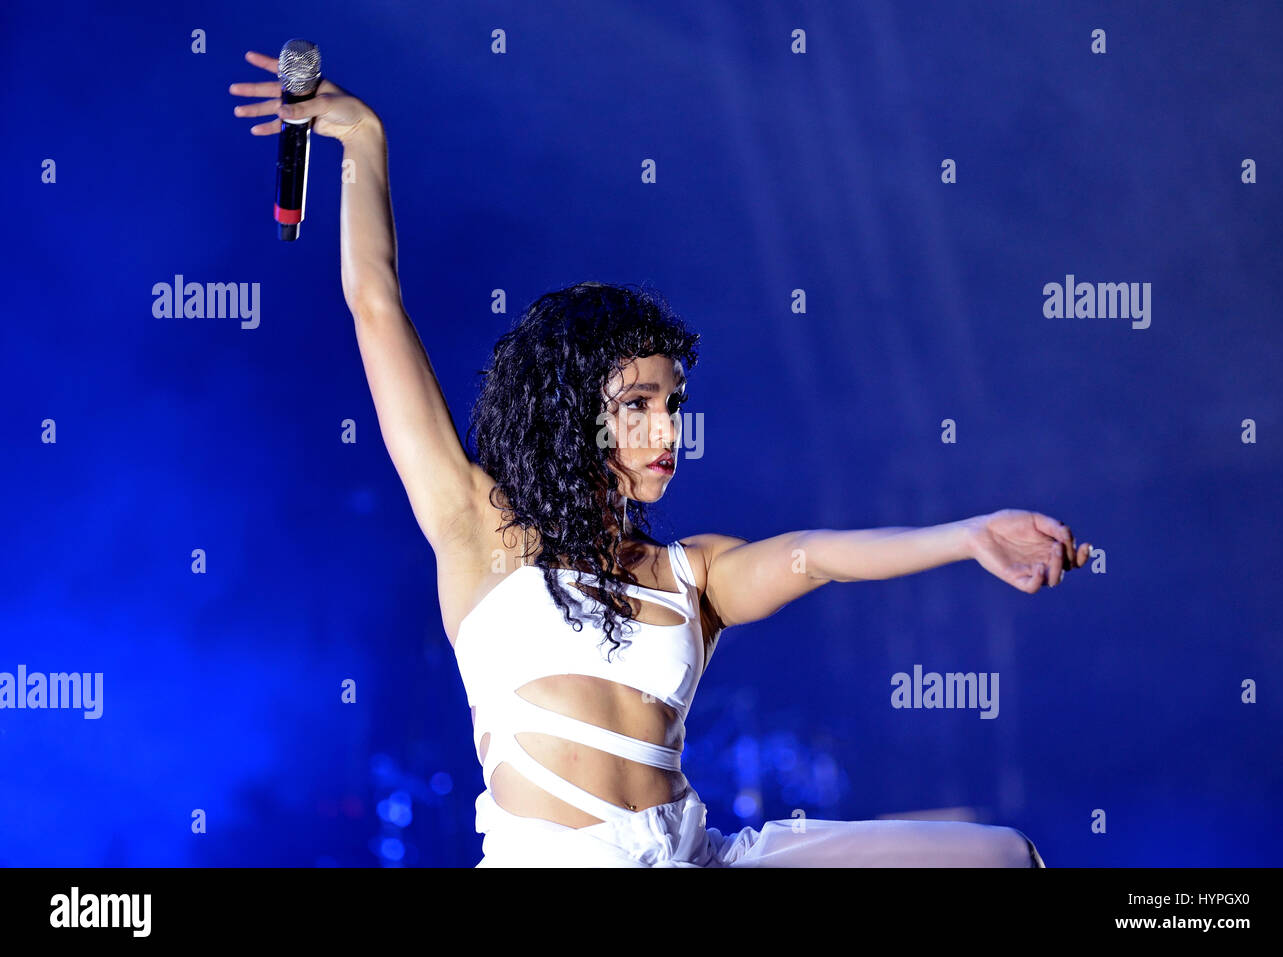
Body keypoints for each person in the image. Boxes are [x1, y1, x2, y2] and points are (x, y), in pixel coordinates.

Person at [230, 51, 1088, 867]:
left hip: (696, 857)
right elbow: (374, 302)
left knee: (1001, 854)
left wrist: (969, 533)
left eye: (673, 404)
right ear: (571, 412)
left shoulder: (691, 572)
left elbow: (817, 555)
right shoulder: (472, 526)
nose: (666, 431)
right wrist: (366, 139)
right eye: (636, 405)